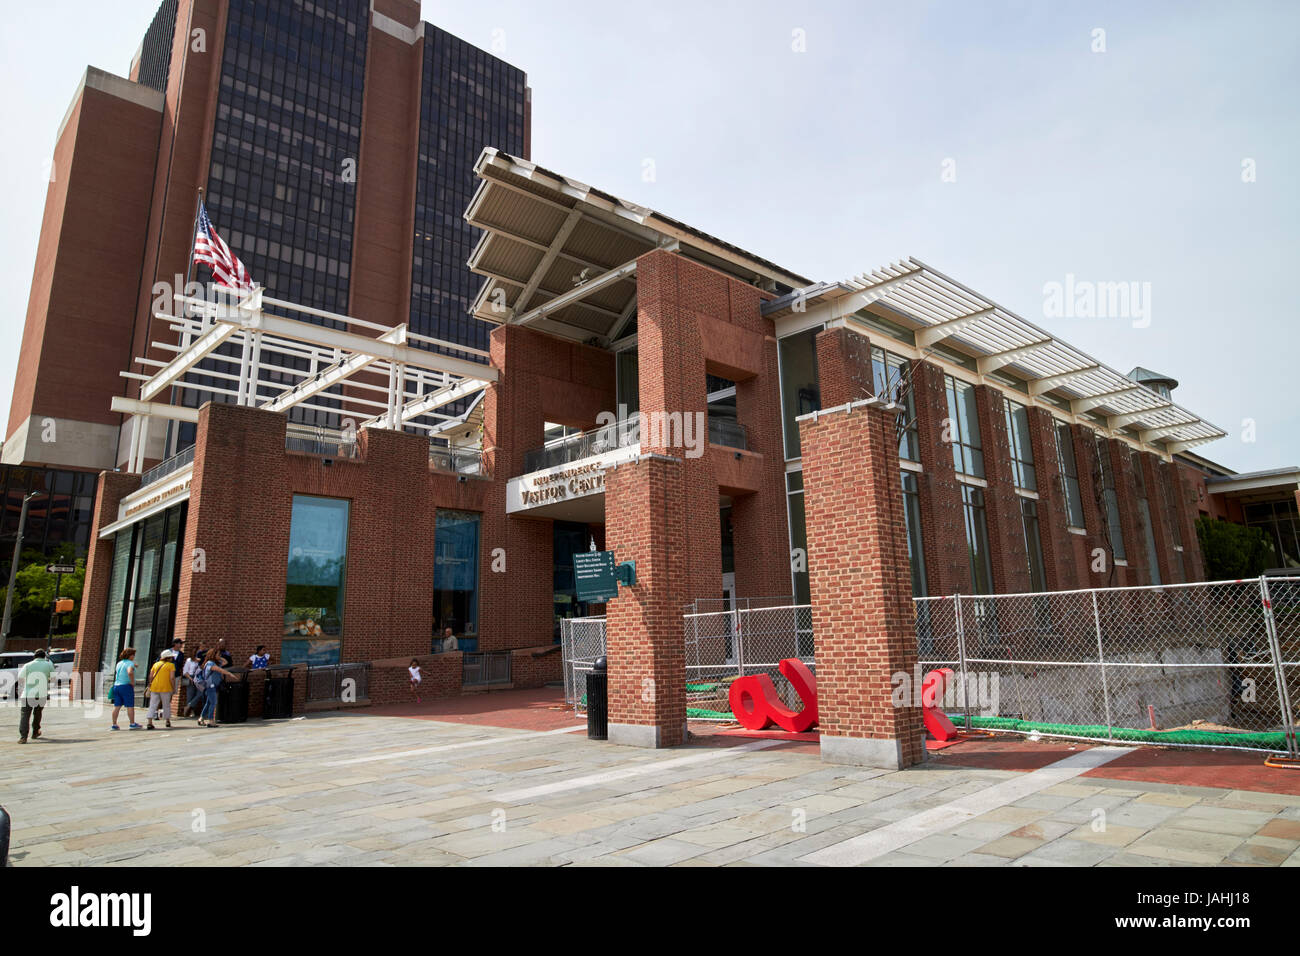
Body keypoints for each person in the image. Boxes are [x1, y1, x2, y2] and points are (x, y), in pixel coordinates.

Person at [16, 649, 54, 744]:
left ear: (35, 656)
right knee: (37, 713)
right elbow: (53, 679)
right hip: (41, 694)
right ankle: (35, 732)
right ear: (44, 656)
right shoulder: (49, 664)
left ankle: (23, 737)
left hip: (28, 694)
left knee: (25, 715)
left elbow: (20, 676)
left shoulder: (28, 665)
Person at [198, 649, 236, 728]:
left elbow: (226, 662)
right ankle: (211, 720)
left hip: (214, 685)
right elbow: (219, 670)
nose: (220, 656)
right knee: (213, 703)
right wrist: (229, 673)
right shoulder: (210, 664)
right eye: (218, 654)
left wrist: (219, 658)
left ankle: (201, 718)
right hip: (210, 685)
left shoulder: (215, 663)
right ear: (213, 655)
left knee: (208, 703)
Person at [110, 647, 142, 731]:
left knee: (117, 706)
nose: (134, 656)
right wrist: (132, 682)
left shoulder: (119, 663)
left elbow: (126, 666)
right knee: (130, 706)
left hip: (117, 686)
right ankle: (132, 723)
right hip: (126, 686)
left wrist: (134, 665)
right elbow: (130, 672)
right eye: (133, 655)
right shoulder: (130, 664)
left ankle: (114, 724)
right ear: (130, 655)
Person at [145, 651, 176, 730]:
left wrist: (150, 683)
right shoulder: (171, 665)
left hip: (155, 687)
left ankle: (149, 722)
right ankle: (167, 721)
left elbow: (151, 676)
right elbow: (172, 678)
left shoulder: (155, 664)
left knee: (153, 705)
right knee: (166, 705)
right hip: (166, 687)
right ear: (168, 657)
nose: (172, 658)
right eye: (171, 657)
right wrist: (173, 687)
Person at [182, 649, 206, 719]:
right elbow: (185, 671)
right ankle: (190, 711)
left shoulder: (200, 661)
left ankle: (189, 706)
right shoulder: (189, 660)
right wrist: (190, 678)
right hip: (191, 677)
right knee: (190, 694)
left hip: (199, 678)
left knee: (200, 693)